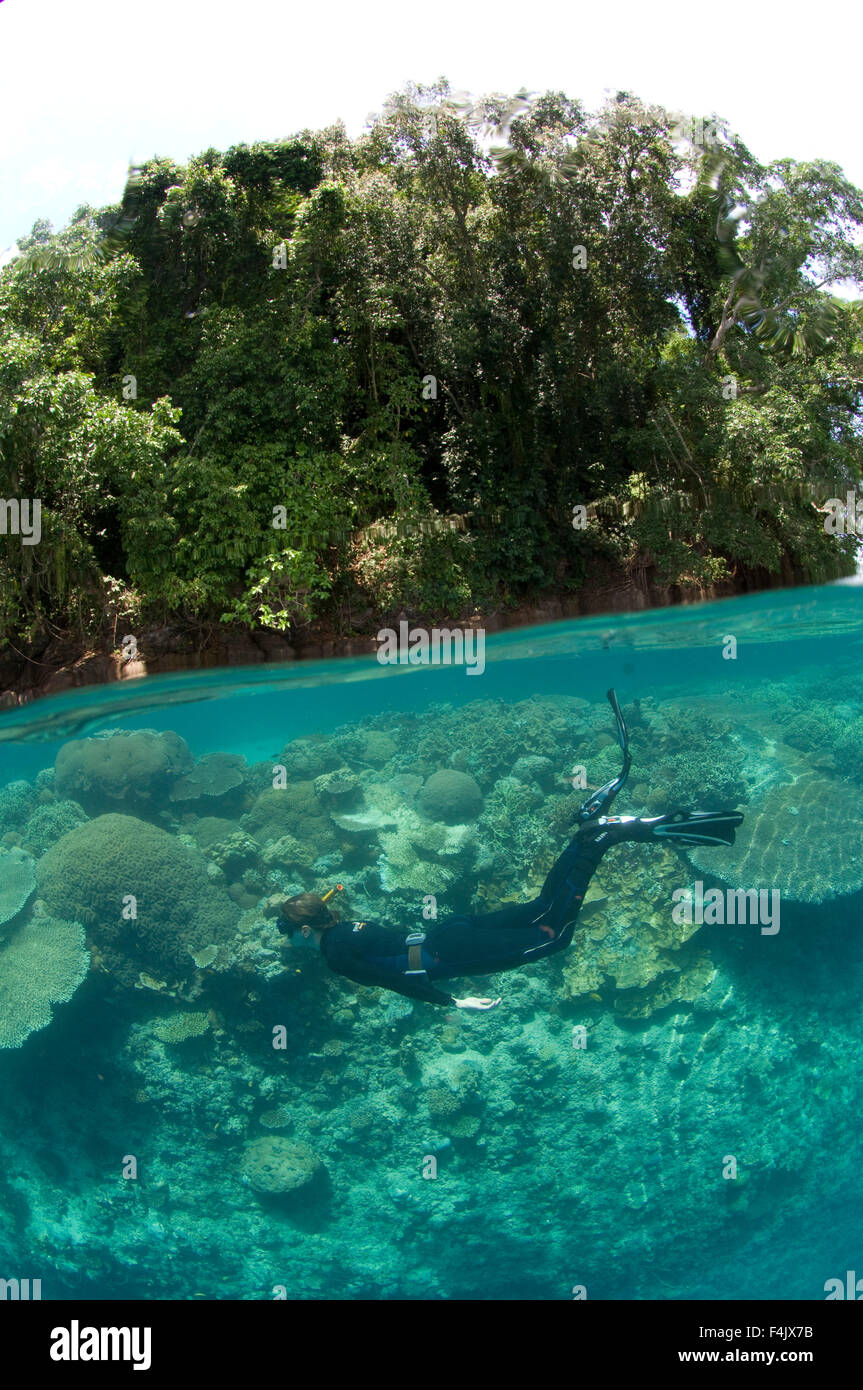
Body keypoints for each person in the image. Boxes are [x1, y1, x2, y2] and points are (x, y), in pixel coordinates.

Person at [277, 691, 743, 1011]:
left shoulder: (334, 955)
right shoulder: (340, 923)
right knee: (543, 905)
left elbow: (393, 981)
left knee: (555, 937)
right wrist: (324, 897)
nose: (290, 939)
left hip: (446, 957)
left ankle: (605, 837)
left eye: (289, 932)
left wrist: (453, 1002)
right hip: (445, 930)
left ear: (303, 931)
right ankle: (589, 830)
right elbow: (327, 904)